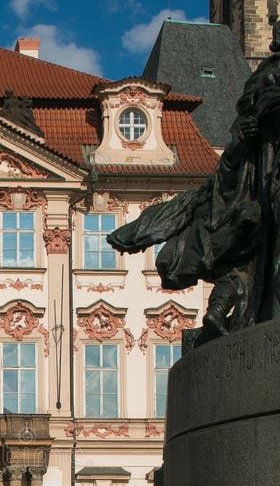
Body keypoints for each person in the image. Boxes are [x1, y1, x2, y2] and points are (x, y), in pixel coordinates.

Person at [108, 20, 280, 337]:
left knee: (246, 266)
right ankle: (224, 312)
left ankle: (222, 312)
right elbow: (243, 125)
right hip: (263, 180)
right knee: (249, 263)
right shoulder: (264, 78)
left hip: (254, 191)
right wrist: (250, 128)